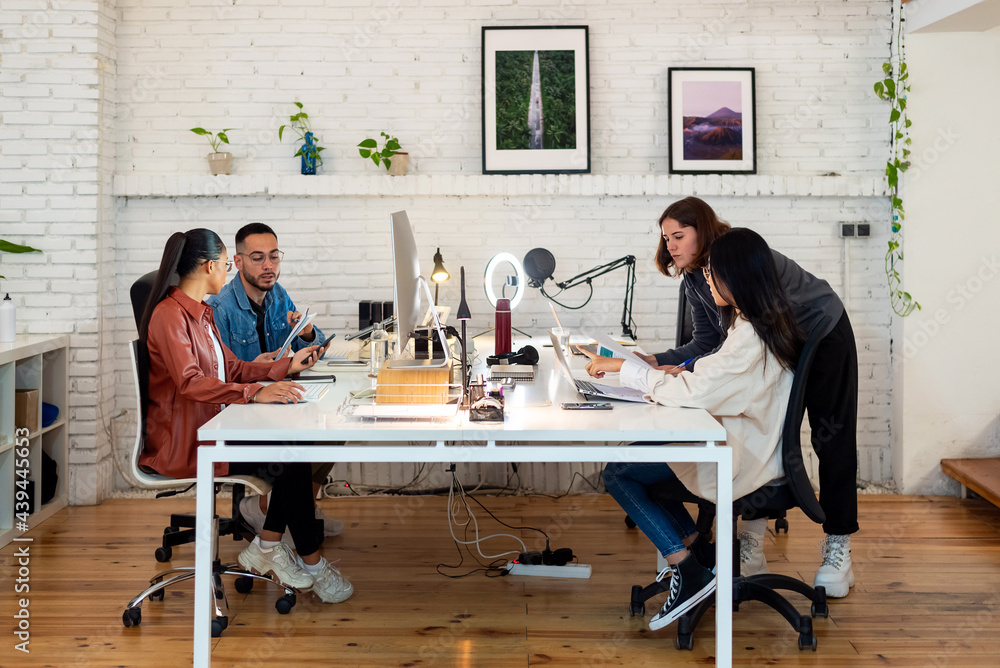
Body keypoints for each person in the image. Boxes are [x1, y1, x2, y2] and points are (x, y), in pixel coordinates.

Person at [581, 228, 805, 630]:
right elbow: (714, 377)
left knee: (620, 472)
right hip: (748, 445)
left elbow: (698, 392)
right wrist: (672, 371)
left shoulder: (751, 338)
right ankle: (700, 558)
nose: (706, 278)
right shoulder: (755, 323)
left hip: (743, 460)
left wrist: (626, 368)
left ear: (735, 276)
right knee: (637, 460)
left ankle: (687, 570)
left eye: (712, 271)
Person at [637, 196, 858, 599]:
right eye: (666, 238)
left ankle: (838, 546)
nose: (670, 245)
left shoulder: (738, 255)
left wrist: (686, 375)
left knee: (832, 437)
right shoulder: (696, 278)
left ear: (702, 230)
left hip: (821, 330)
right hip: (774, 339)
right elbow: (709, 342)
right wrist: (657, 361)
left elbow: (747, 332)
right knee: (754, 423)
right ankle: (750, 543)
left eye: (678, 236)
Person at [137, 228, 352, 603]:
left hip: (213, 425)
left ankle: (268, 549)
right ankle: (310, 564)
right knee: (291, 457)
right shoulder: (170, 316)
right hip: (189, 442)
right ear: (210, 266)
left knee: (295, 448)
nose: (227, 271)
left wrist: (284, 367)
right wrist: (255, 392)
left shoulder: (199, 313)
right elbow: (190, 382)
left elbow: (231, 367)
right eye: (225, 264)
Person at [207, 222, 343, 540]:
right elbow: (215, 378)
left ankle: (303, 507)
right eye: (258, 258)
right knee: (302, 442)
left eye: (274, 256)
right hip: (242, 409)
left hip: (274, 401)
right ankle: (269, 511)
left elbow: (313, 344)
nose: (268, 265)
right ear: (238, 261)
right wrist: (251, 368)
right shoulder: (219, 308)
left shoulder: (277, 295)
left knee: (334, 429)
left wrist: (307, 335)